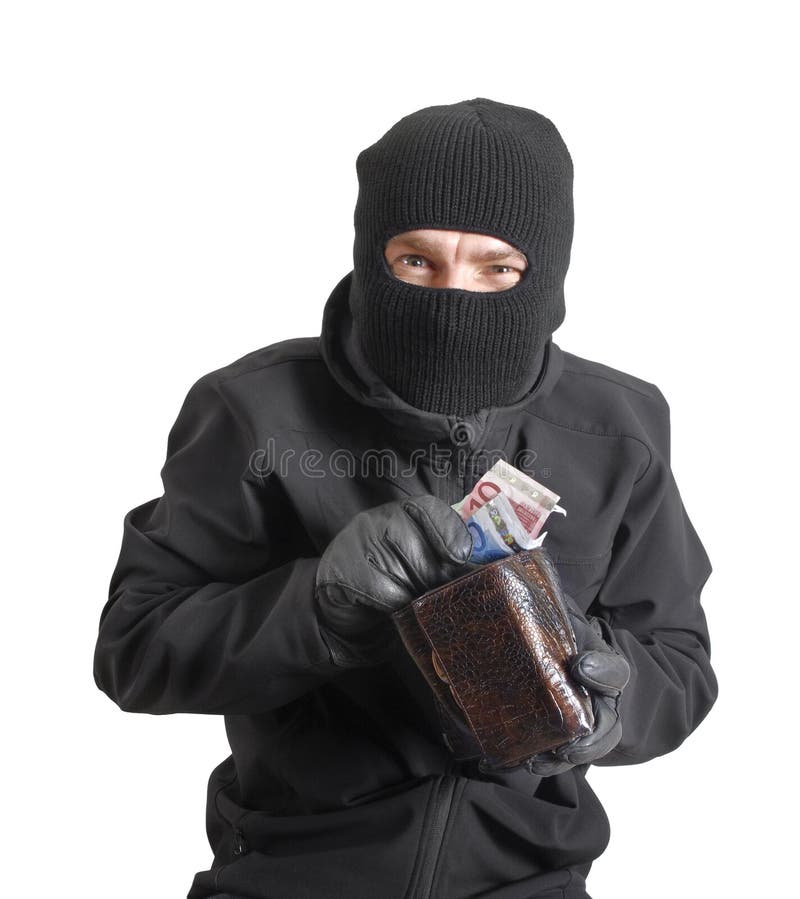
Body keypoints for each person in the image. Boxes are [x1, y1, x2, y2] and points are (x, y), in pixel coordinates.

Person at [93, 97, 718, 899]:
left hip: (531, 883)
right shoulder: (253, 410)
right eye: (416, 260)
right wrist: (315, 608)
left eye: (496, 268)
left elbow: (679, 663)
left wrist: (607, 699)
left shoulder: (618, 428)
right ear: (370, 255)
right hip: (288, 877)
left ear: (546, 272)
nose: (455, 297)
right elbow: (133, 648)